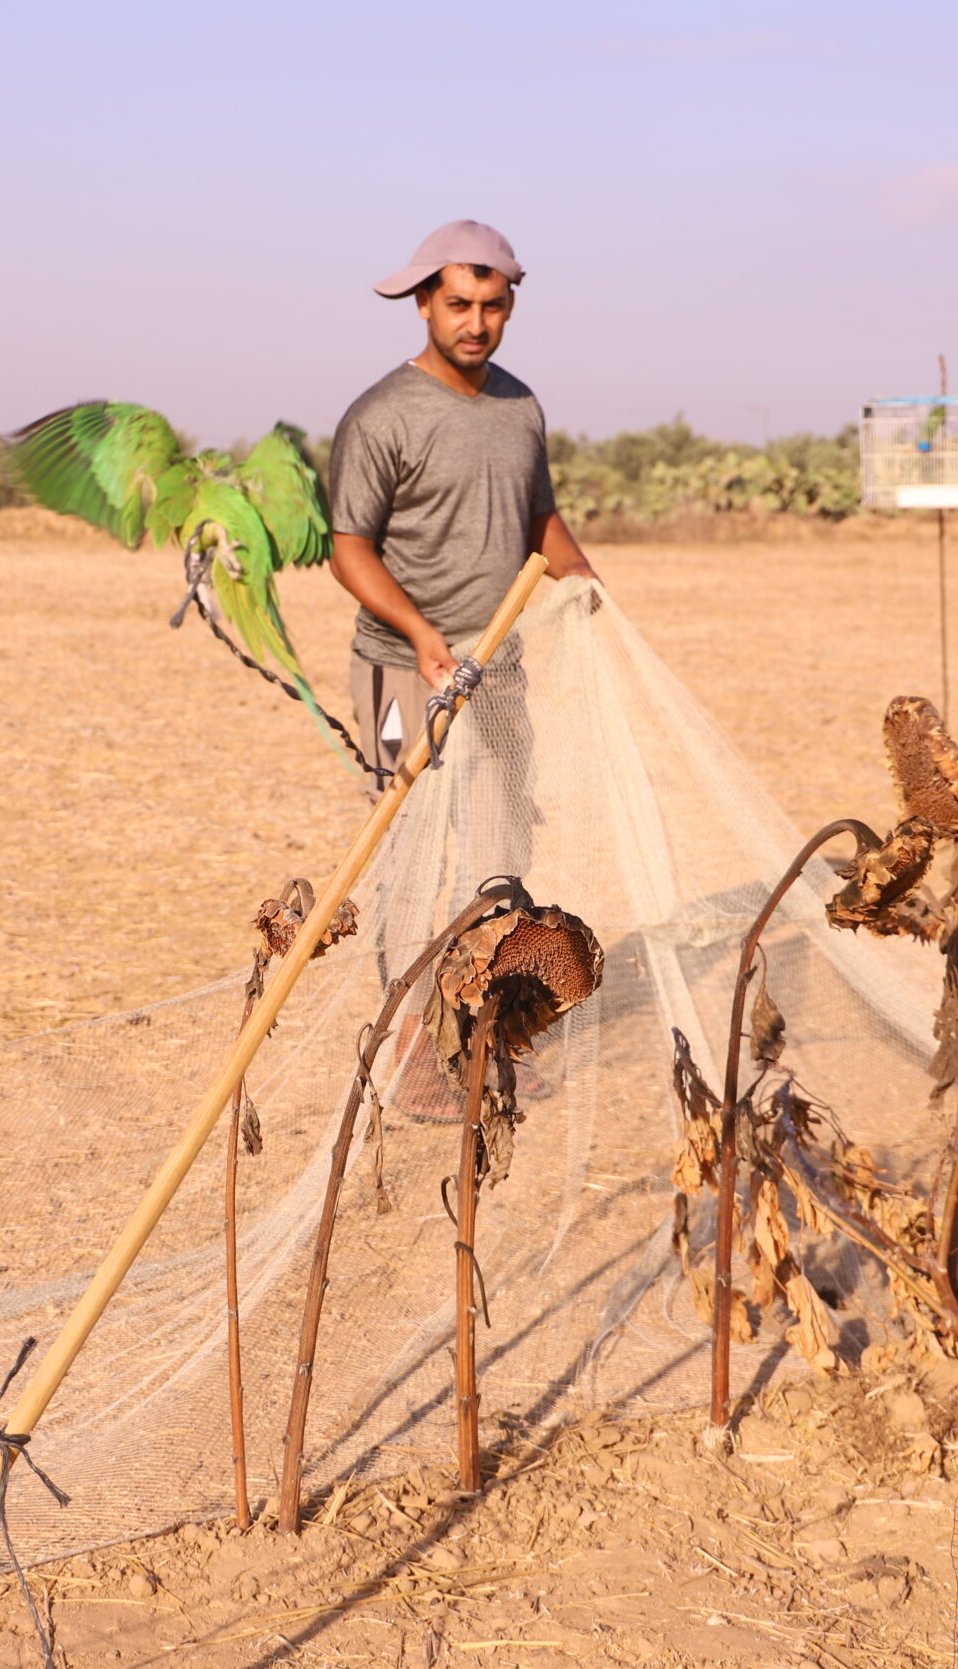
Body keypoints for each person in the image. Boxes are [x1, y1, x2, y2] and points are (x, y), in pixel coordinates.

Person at [326, 219, 596, 1114]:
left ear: (510, 305)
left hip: (498, 670)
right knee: (407, 847)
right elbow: (350, 549)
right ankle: (408, 1047)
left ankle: (477, 1032)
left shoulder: (521, 408)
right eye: (458, 305)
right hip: (398, 673)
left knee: (498, 845)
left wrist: (582, 577)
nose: (475, 323)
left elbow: (538, 518)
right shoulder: (381, 415)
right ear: (423, 304)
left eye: (492, 306)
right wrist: (416, 632)